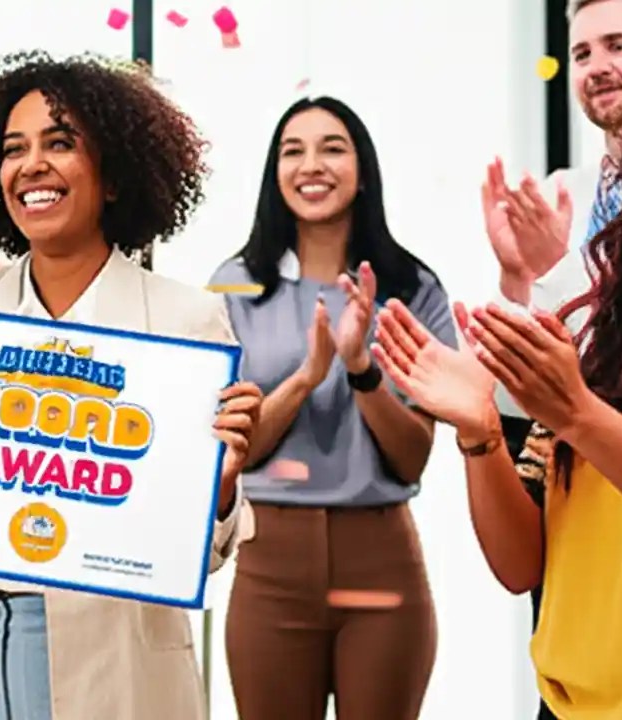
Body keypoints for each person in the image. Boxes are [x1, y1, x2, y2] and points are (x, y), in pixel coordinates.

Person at [0, 51, 261, 720]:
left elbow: (206, 556)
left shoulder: (187, 319)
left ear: (115, 176)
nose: (31, 165)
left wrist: (217, 485)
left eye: (60, 142)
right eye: (14, 149)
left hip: (116, 660)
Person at [372, 90, 622, 720]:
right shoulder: (604, 336)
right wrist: (480, 435)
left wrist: (578, 412)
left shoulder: (584, 381)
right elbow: (523, 564)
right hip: (567, 704)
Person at [208, 96, 454, 719]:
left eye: (332, 148)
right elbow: (232, 447)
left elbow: (411, 460)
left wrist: (359, 369)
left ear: (363, 169)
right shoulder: (235, 283)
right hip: (269, 562)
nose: (311, 165)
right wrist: (308, 376)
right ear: (274, 173)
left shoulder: (412, 287)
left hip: (382, 558)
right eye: (294, 151)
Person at [480, 1, 622, 710]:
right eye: (581, 53)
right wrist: (523, 285)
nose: (596, 67)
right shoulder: (560, 191)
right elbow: (544, 407)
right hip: (586, 559)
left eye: (619, 44)